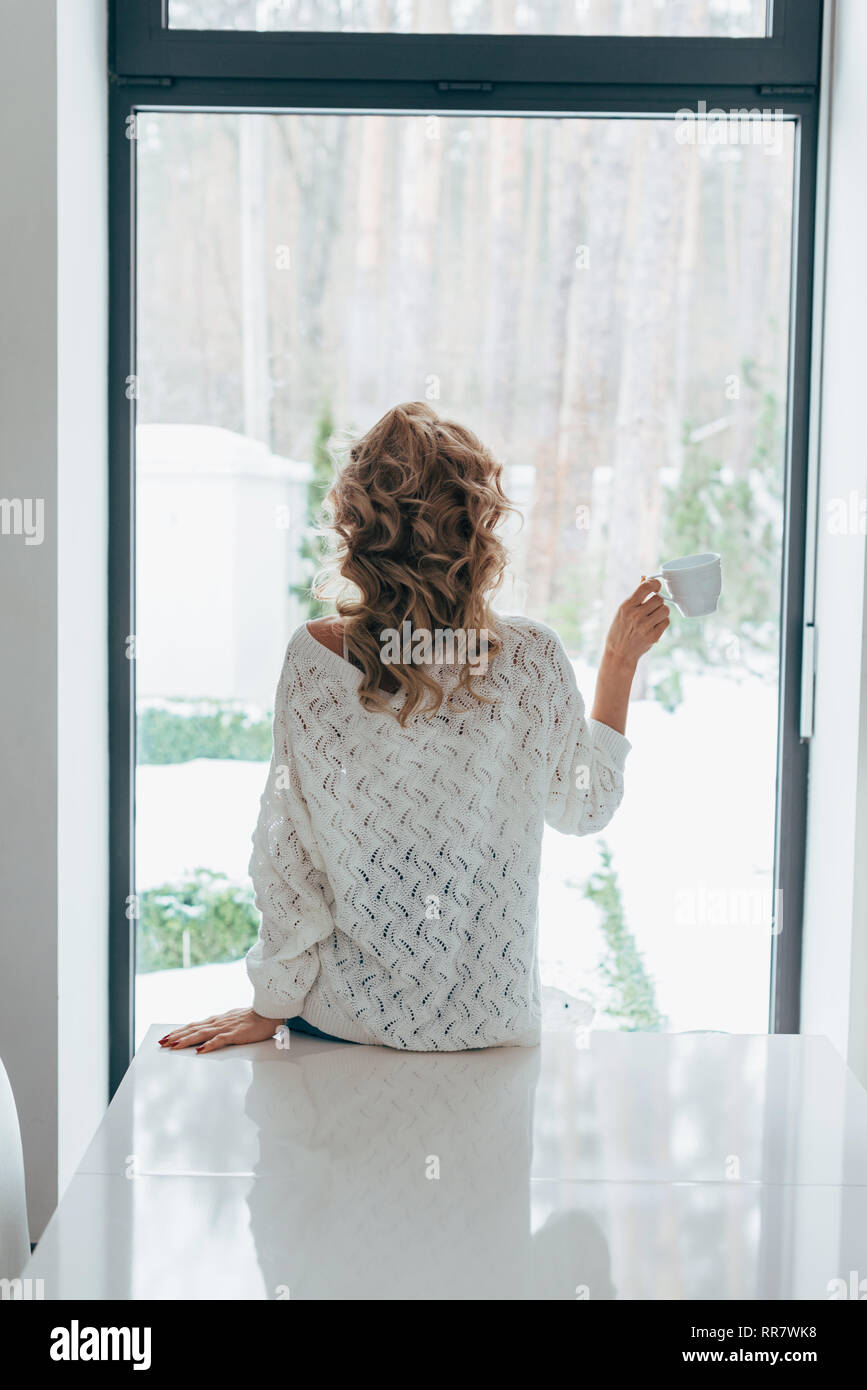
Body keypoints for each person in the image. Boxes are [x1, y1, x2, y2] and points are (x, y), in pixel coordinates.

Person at [160, 401, 668, 1055]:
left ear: (353, 525)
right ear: (478, 527)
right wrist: (620, 663)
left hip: (345, 1025)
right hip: (492, 1027)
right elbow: (584, 807)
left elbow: (290, 856)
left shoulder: (314, 658)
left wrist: (273, 1004)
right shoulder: (530, 657)